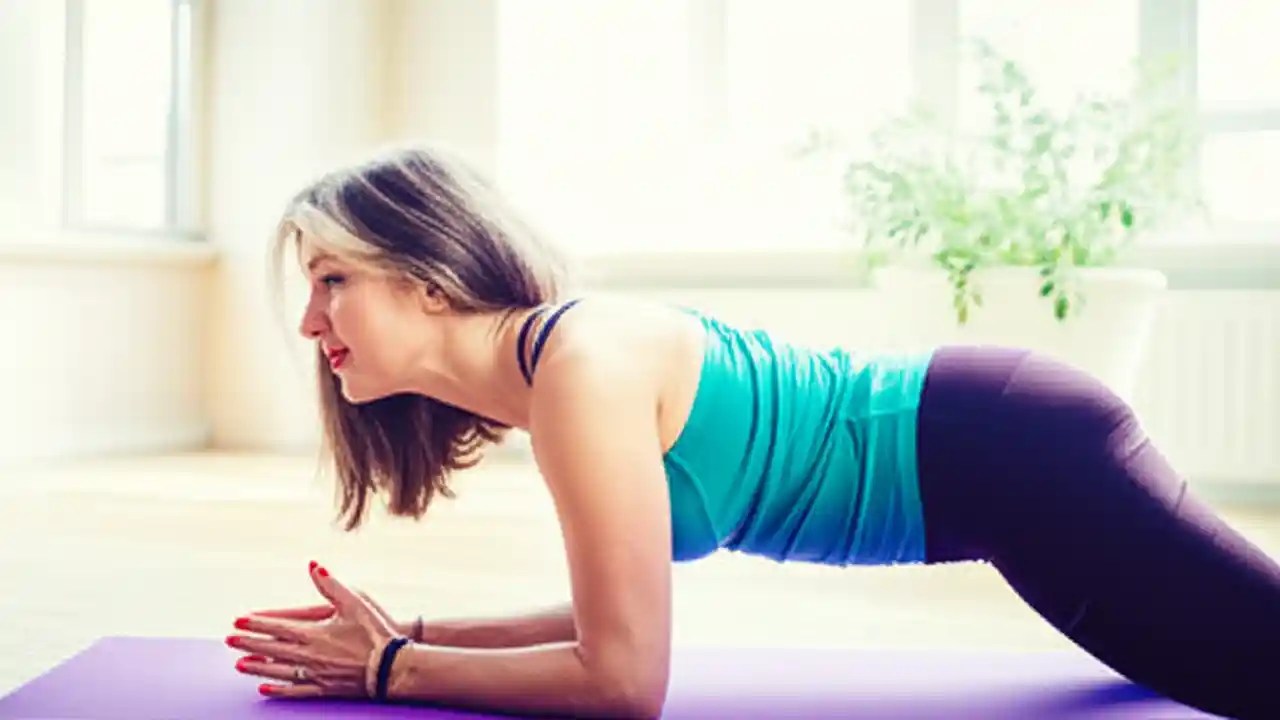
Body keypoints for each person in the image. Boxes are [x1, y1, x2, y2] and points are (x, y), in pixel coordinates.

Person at [225, 145, 1279, 719]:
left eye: (330, 279)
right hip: (1010, 486)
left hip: (1018, 449)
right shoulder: (553, 378)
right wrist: (412, 633)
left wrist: (393, 669)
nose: (310, 320)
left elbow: (621, 681)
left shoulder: (579, 375)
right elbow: (615, 612)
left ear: (426, 277)